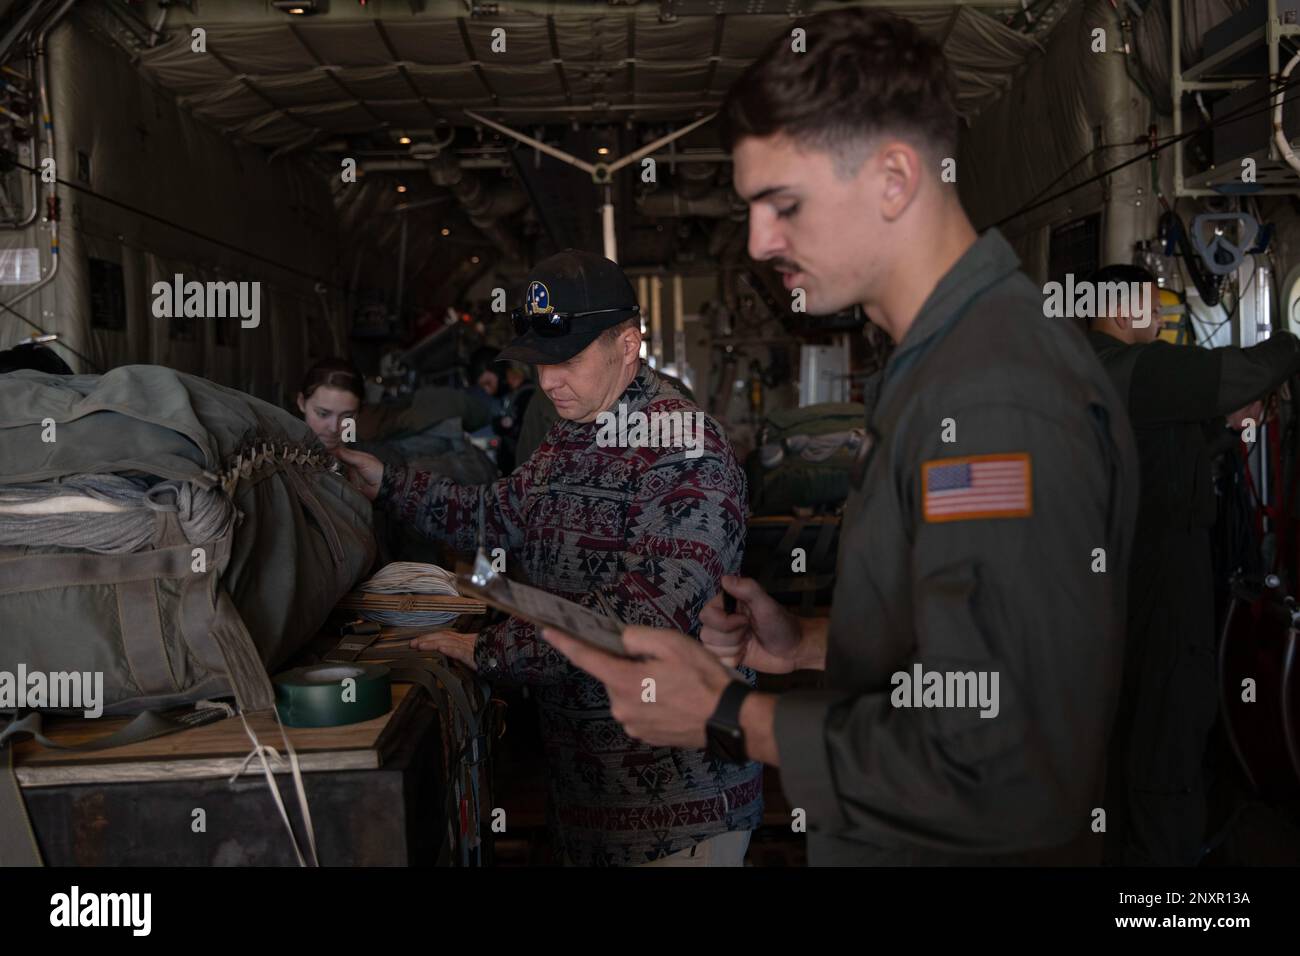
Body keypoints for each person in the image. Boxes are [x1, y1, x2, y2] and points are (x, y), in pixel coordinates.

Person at [540, 7, 1139, 866]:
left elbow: (1001, 764)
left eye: (783, 204)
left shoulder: (996, 400)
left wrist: (726, 713)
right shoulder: (939, 364)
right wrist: (810, 643)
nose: (758, 241)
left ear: (894, 178)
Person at [337, 249, 762, 866]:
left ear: (627, 345)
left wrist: (488, 651)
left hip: (679, 810)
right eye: (540, 363)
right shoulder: (577, 430)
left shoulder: (685, 448)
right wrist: (388, 484)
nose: (548, 381)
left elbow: (637, 618)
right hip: (587, 792)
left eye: (567, 360)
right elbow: (503, 514)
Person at [1084, 263, 1300, 865]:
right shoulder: (1130, 366)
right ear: (1124, 307)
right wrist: (1293, 341)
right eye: (1155, 306)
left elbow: (1160, 453)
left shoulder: (1101, 369)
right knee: (1169, 726)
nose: (1162, 318)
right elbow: (1244, 371)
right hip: (1154, 571)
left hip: (1130, 565)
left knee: (1140, 733)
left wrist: (1228, 432)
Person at [296, 357, 364, 456]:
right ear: (302, 402)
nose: (334, 428)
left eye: (347, 417)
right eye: (322, 414)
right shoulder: (277, 454)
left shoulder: (379, 459)